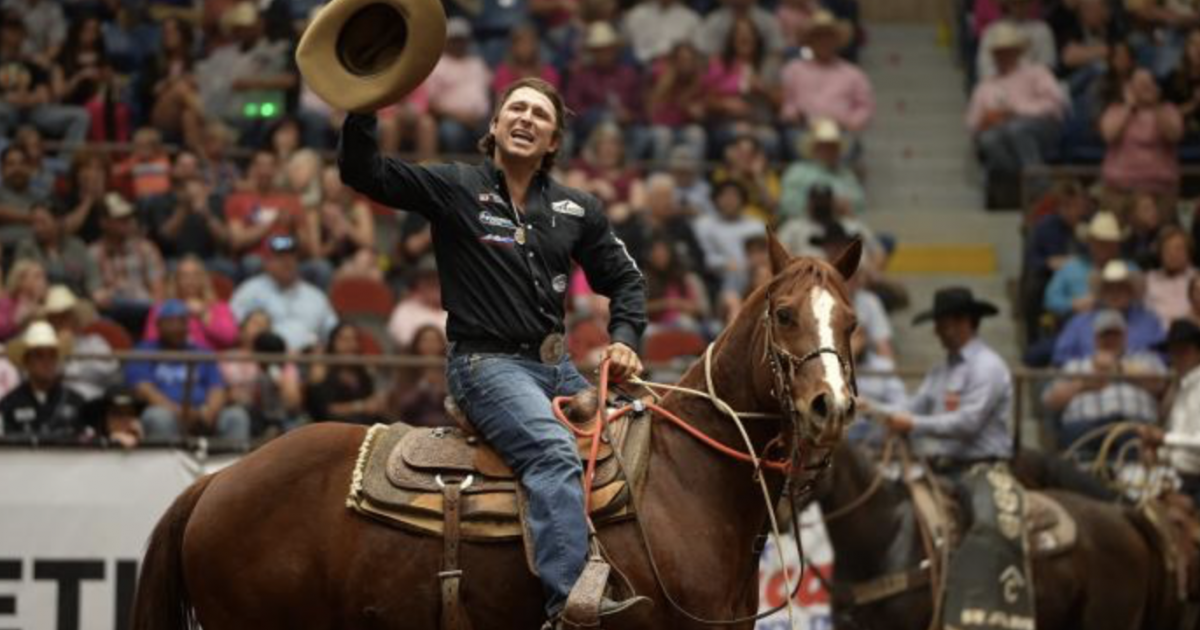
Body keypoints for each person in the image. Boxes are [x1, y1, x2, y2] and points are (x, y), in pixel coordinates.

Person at [339, 76, 649, 623]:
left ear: (553, 141)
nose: (526, 119)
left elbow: (627, 283)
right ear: (495, 125)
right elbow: (365, 173)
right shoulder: (455, 186)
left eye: (539, 115)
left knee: (640, 441)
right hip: (485, 364)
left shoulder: (579, 209)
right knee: (553, 452)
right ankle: (570, 607)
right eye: (516, 109)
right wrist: (364, 107)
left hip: (557, 366)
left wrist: (623, 341)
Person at [883, 287, 1013, 465]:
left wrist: (913, 424)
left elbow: (967, 423)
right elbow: (913, 406)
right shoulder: (940, 370)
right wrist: (872, 409)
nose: (936, 331)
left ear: (964, 322)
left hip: (984, 464)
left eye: (942, 324)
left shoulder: (987, 366)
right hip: (945, 464)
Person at [966, 23, 1068, 207]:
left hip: (1042, 126)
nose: (1002, 56)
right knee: (988, 140)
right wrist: (986, 120)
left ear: (1016, 51)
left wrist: (1016, 110)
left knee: (1017, 129)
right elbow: (972, 124)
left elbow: (1056, 103)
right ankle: (1027, 178)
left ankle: (1039, 185)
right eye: (999, 52)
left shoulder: (1036, 72)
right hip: (1002, 132)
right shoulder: (985, 86)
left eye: (1006, 51)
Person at [125, 299, 251, 442]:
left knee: (236, 416)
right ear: (159, 325)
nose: (176, 326)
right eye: (170, 322)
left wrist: (208, 413)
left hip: (203, 414)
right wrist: (179, 412)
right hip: (168, 412)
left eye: (181, 321)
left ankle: (233, 462)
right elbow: (144, 389)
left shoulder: (202, 351)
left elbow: (217, 388)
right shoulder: (144, 351)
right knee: (156, 416)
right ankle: (166, 464)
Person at [1042, 308, 1167, 447]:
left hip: (1134, 424)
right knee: (1073, 433)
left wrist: (1118, 368)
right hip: (1086, 427)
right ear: (1095, 338)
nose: (1110, 339)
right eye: (1105, 335)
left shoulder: (1146, 359)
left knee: (1142, 435)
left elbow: (1160, 384)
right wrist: (1082, 384)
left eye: (1115, 334)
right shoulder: (1075, 366)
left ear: (1125, 336)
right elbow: (1050, 401)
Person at [779, 11, 874, 159]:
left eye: (828, 36)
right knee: (793, 139)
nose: (824, 41)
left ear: (836, 41)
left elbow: (865, 107)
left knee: (850, 144)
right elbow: (786, 101)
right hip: (804, 130)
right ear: (810, 40)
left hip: (840, 131)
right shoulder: (793, 69)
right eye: (819, 36)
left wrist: (849, 123)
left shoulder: (853, 73)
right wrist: (793, 114)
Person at [229, 234, 338, 352]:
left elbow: (333, 333)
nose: (287, 262)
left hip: (308, 362)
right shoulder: (249, 291)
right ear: (267, 263)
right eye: (280, 258)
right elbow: (232, 328)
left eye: (291, 257)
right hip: (263, 361)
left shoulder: (316, 296)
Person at [1052, 259, 1165, 366]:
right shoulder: (1079, 323)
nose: (1115, 293)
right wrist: (1091, 365)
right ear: (1101, 292)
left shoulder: (1149, 322)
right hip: (1089, 381)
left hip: (1139, 382)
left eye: (1121, 287)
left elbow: (1164, 358)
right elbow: (1060, 358)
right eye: (1109, 288)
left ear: (1131, 292)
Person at [1100, 68, 1184, 199]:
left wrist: (1156, 107)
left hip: (1160, 188)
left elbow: (1174, 135)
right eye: (1141, 84)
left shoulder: (1168, 110)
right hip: (1121, 188)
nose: (1146, 88)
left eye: (1149, 83)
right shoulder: (1115, 110)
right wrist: (1128, 107)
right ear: (1129, 88)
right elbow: (1109, 135)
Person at [0, 321, 86, 439]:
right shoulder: (9, 404)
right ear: (26, 361)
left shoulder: (76, 401)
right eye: (39, 356)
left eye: (52, 355)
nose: (47, 362)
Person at [1145, 320, 1200, 505]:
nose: (1177, 357)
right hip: (1180, 477)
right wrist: (1157, 454)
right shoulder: (1180, 389)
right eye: (1174, 351)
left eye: (1183, 351)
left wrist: (1163, 439)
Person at [143, 255, 239, 350]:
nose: (190, 280)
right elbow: (151, 342)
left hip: (209, 362)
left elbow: (230, 338)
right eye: (184, 275)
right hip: (170, 361)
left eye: (195, 275)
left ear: (203, 279)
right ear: (176, 280)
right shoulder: (161, 308)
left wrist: (204, 315)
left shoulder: (219, 307)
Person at [1043, 210, 1125, 318]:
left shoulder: (1128, 269)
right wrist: (1072, 305)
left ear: (1116, 245)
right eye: (1098, 241)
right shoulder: (1071, 267)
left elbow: (1139, 303)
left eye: (1108, 242)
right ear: (1089, 242)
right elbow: (1050, 300)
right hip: (1077, 325)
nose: (1103, 246)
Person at [1146, 227, 1196, 328]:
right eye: (1167, 249)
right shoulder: (1148, 280)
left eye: (1178, 249)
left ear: (1188, 252)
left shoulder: (1197, 279)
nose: (1172, 254)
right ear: (1160, 253)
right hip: (1155, 337)